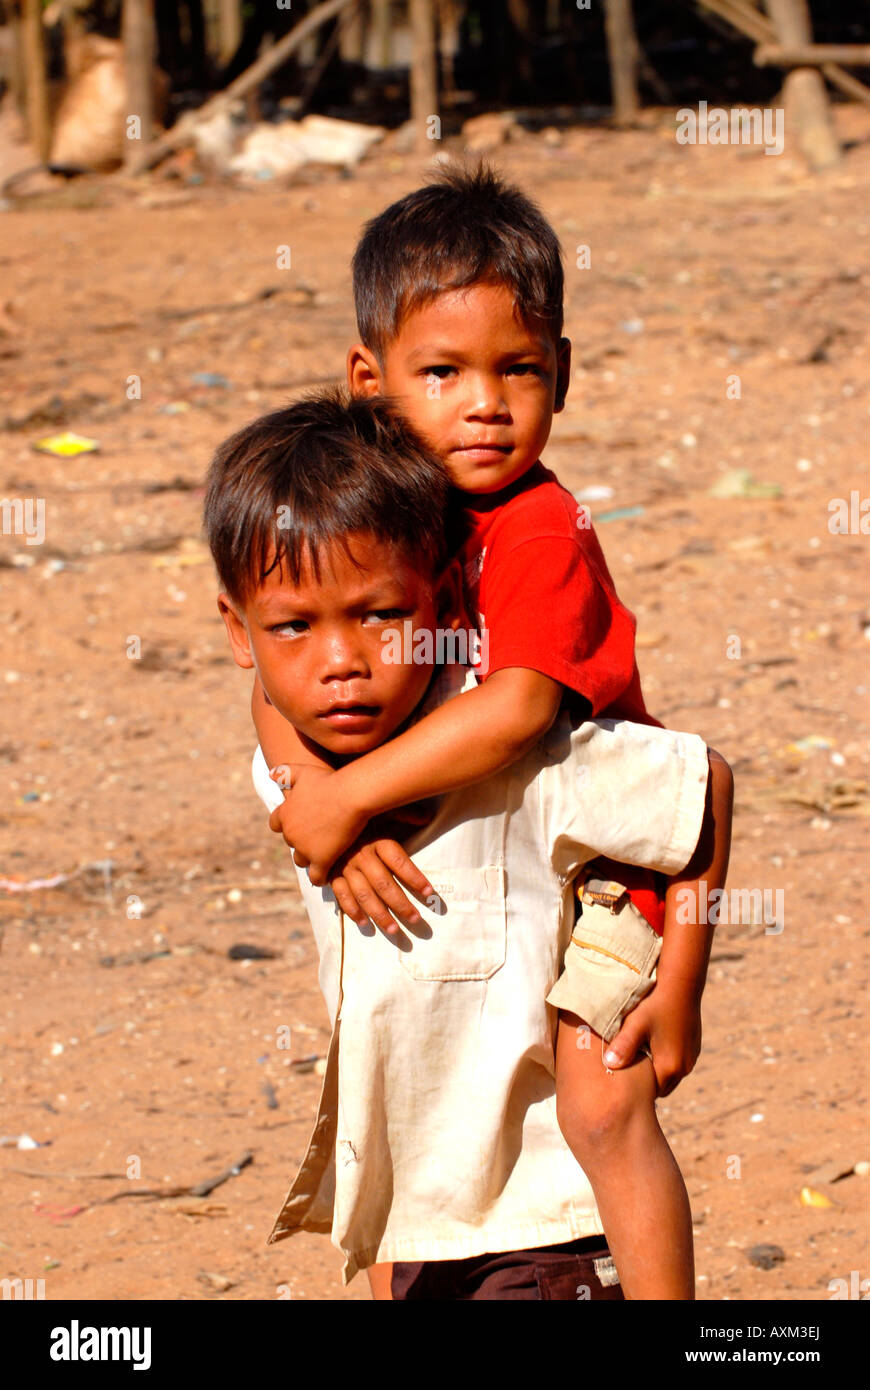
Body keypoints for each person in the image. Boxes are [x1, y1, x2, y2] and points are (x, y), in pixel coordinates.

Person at [254, 165, 734, 1297]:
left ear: (560, 375)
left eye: (519, 370)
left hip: (606, 859)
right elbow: (277, 675)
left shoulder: (538, 530)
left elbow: (518, 710)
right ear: (370, 381)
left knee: (602, 1102)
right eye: (443, 372)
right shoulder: (379, 517)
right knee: (407, 1085)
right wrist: (306, 800)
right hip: (482, 855)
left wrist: (351, 794)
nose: (485, 403)